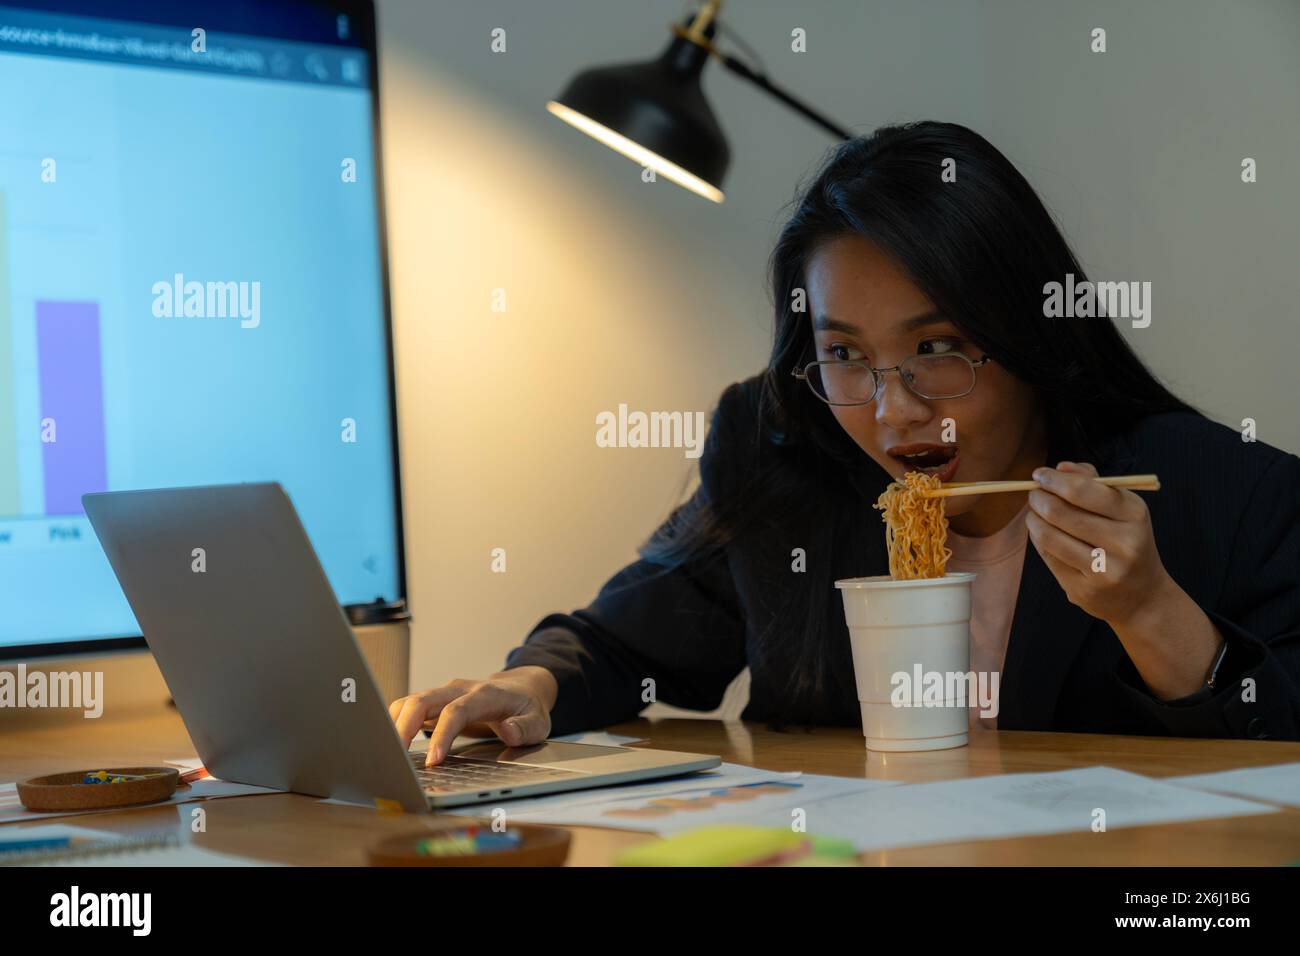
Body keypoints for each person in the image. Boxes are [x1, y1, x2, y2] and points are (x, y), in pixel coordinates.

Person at [390, 121, 1300, 765]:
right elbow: (623, 642)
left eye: (936, 350)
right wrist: (531, 688)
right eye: (845, 356)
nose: (894, 411)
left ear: (1029, 336)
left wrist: (1151, 614)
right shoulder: (785, 449)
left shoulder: (1221, 492)